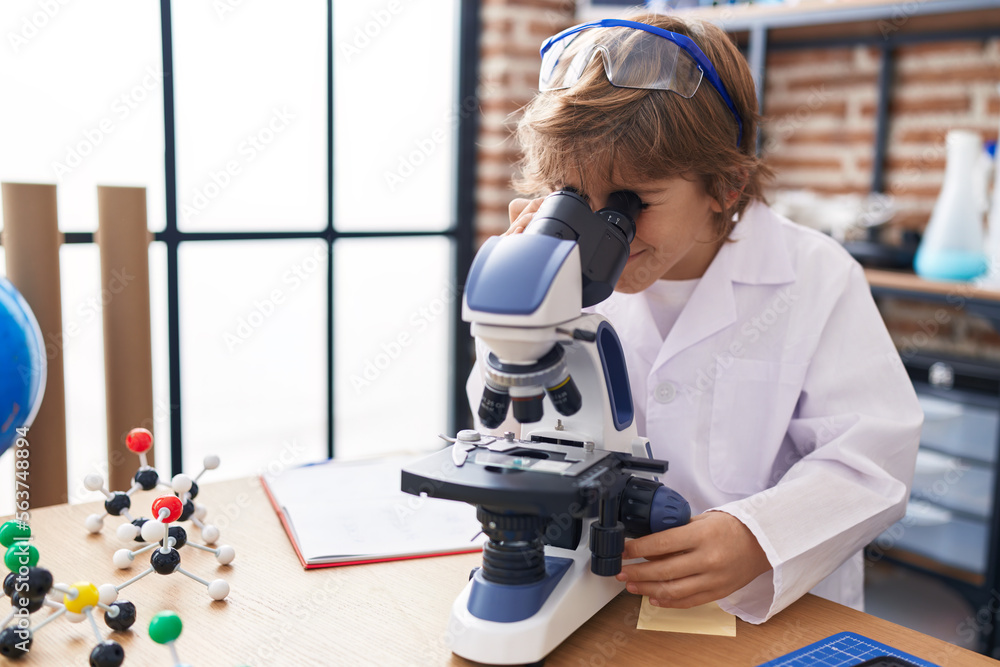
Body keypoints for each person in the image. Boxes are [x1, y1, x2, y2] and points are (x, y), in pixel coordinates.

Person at [470, 12, 923, 624]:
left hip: (757, 606)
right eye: (569, 195)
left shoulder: (816, 276)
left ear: (726, 187)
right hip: (606, 600)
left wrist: (756, 538)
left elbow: (874, 459)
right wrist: (526, 307)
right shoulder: (558, 271)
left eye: (631, 204)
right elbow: (501, 425)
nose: (599, 233)